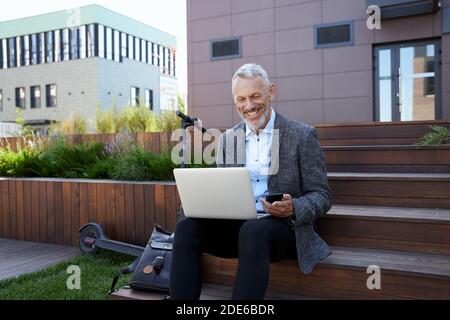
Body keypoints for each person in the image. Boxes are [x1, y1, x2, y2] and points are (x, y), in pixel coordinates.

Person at [169, 63, 332, 300]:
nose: (249, 106)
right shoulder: (227, 139)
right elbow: (221, 189)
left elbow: (322, 195)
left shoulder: (302, 135)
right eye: (241, 99)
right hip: (237, 228)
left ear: (271, 92)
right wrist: (197, 206)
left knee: (253, 230)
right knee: (186, 228)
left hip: (282, 229)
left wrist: (293, 207)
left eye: (255, 96)